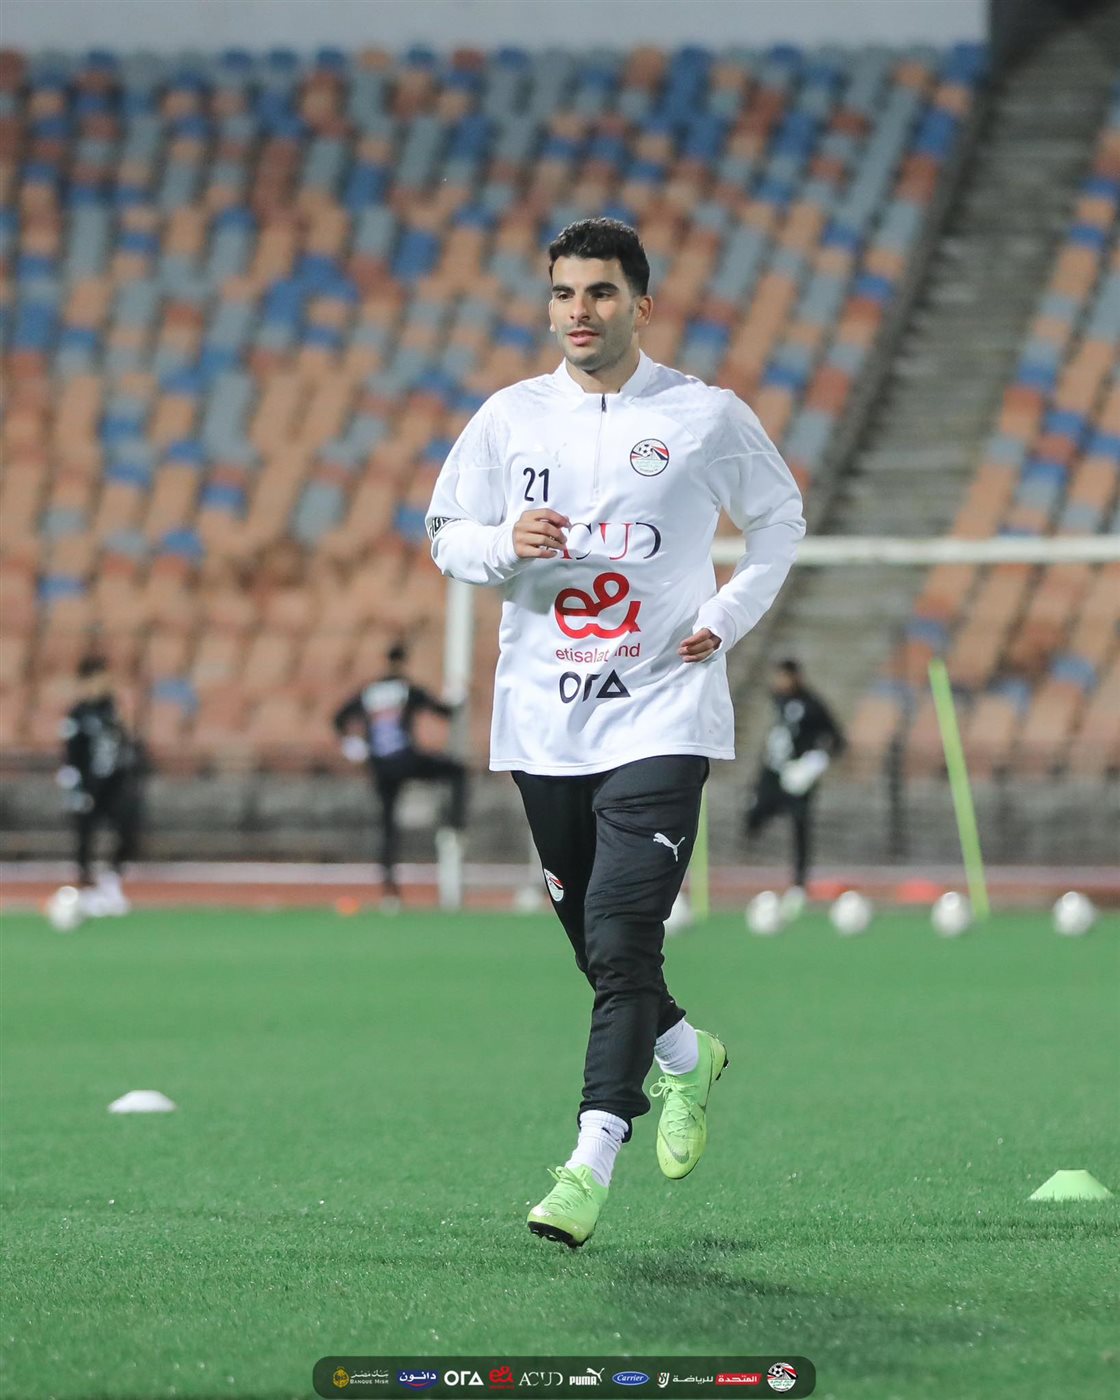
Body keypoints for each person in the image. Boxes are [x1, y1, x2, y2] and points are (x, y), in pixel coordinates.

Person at [425, 217, 805, 1248]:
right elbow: (446, 533)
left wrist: (724, 616)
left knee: (624, 932)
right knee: (600, 947)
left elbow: (779, 521)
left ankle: (589, 1159)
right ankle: (686, 1054)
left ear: (642, 304)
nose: (578, 312)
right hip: (544, 721)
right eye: (563, 293)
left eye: (599, 293)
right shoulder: (509, 417)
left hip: (661, 708)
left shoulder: (703, 415)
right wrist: (504, 542)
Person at [333, 642, 468, 907]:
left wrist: (354, 746)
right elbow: (444, 712)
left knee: (387, 825)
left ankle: (389, 890)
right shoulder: (406, 689)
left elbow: (339, 719)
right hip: (405, 759)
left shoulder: (369, 691)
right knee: (456, 771)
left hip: (380, 765)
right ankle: (454, 823)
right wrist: (458, 695)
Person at [745, 659, 846, 909]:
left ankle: (799, 884)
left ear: (796, 677)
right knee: (755, 815)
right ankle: (750, 863)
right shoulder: (777, 699)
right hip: (773, 773)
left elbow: (837, 740)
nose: (780, 682)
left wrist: (814, 763)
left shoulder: (812, 705)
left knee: (800, 826)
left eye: (784, 677)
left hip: (799, 777)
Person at [57, 654, 142, 915]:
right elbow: (71, 753)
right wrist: (75, 786)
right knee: (85, 837)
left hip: (115, 783)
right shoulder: (78, 714)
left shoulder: (112, 708)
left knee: (127, 830)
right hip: (88, 785)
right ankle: (85, 889)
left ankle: (111, 883)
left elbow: (124, 741)